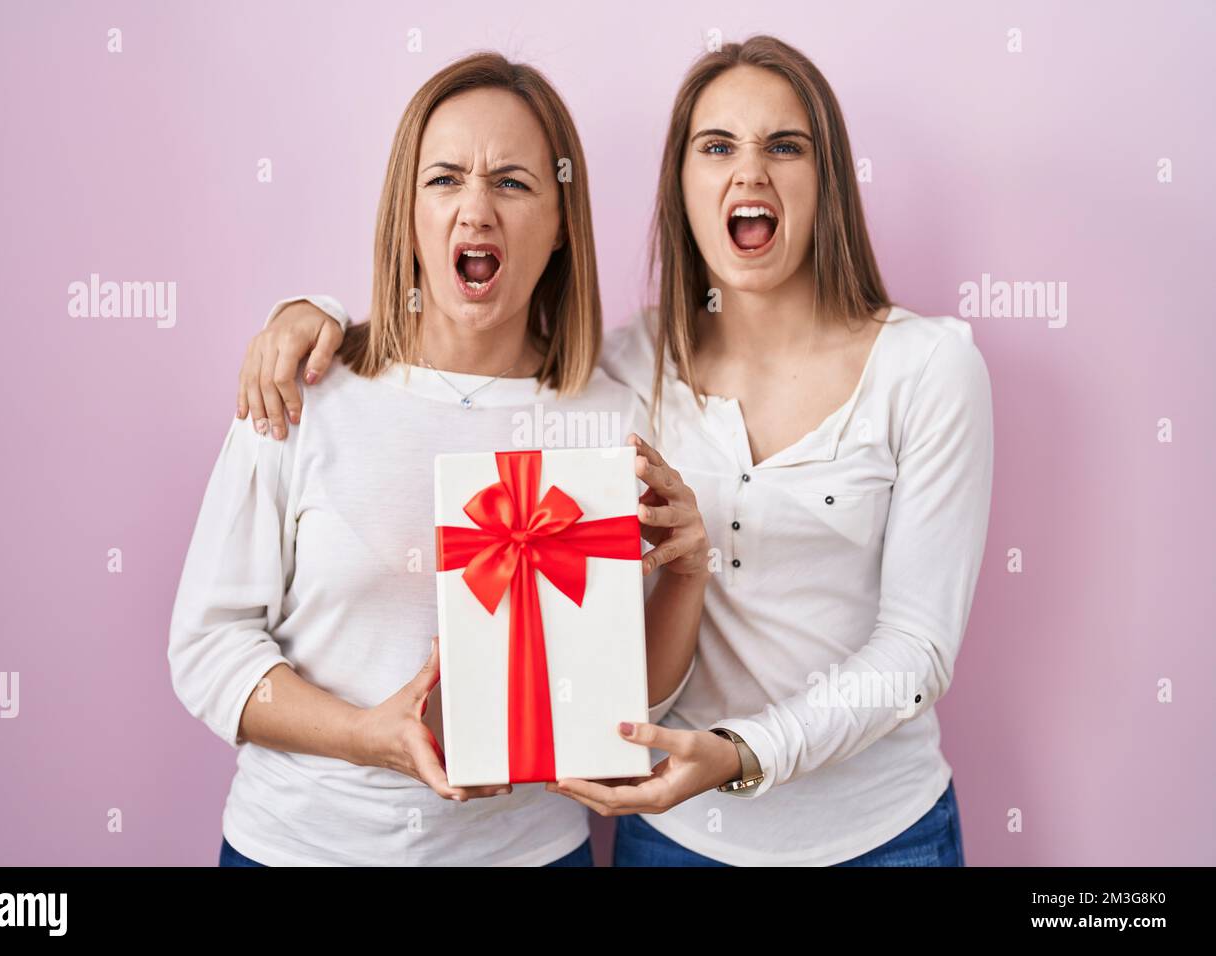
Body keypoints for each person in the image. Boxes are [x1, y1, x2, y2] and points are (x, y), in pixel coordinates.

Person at [242, 35, 993, 867]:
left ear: (830, 183)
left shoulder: (930, 368)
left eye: (786, 146)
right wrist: (311, 316)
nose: (750, 175)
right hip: (671, 839)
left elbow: (917, 649)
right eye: (717, 148)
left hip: (880, 835)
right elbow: (474, 369)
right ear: (682, 187)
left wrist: (745, 753)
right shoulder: (622, 377)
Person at [169, 52, 711, 867]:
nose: (475, 211)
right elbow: (208, 649)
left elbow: (633, 697)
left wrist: (685, 572)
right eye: (446, 179)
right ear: (407, 211)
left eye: (514, 183)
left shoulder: (611, 420)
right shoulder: (304, 389)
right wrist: (364, 736)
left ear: (563, 222)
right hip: (298, 848)